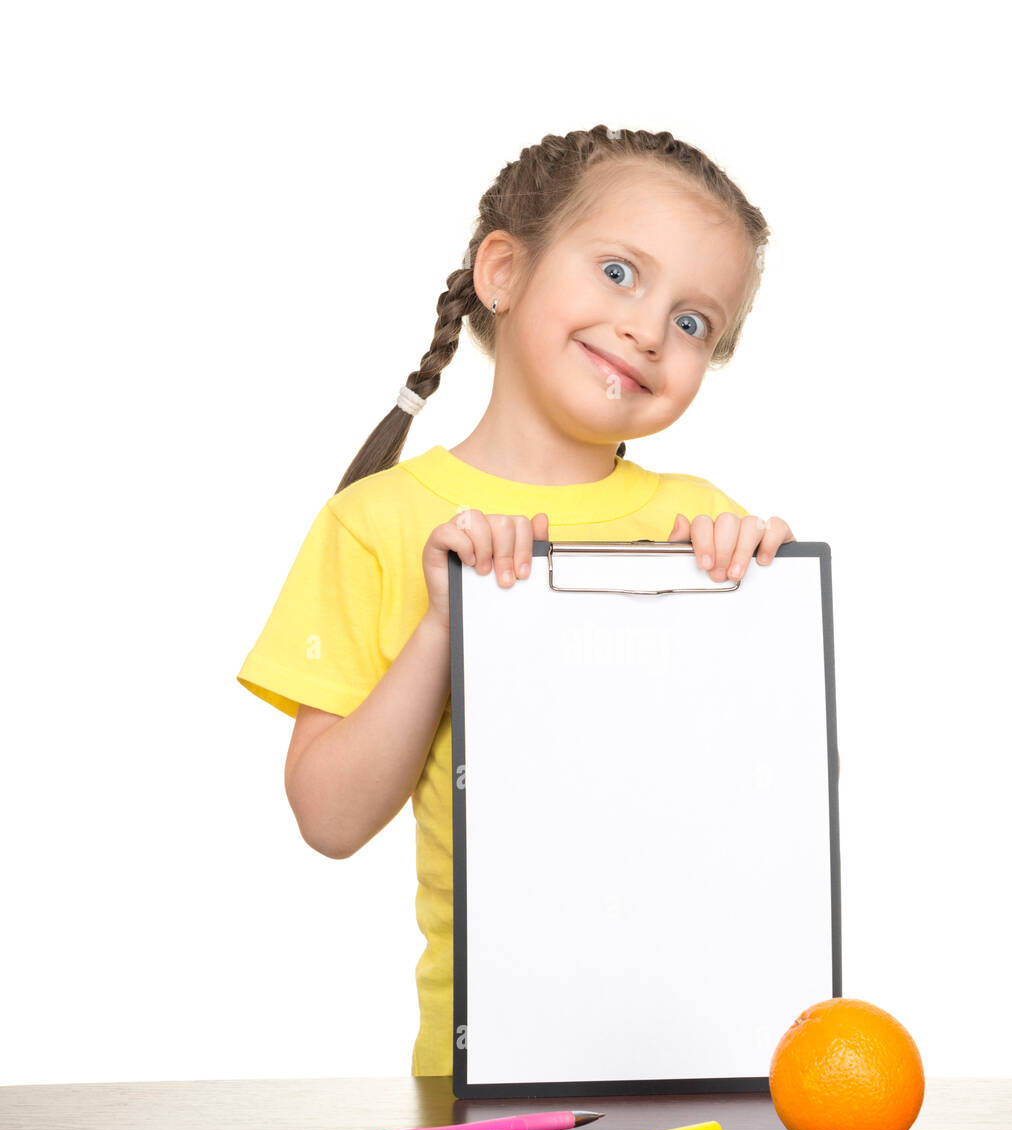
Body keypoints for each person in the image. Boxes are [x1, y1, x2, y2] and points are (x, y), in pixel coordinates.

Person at [237, 125, 799, 1077]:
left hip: (705, 1052)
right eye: (619, 272)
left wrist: (757, 613)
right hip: (488, 1082)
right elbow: (328, 821)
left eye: (695, 321)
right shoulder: (376, 522)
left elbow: (767, 813)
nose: (649, 330)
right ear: (502, 269)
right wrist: (444, 629)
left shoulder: (705, 528)